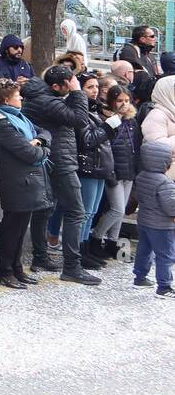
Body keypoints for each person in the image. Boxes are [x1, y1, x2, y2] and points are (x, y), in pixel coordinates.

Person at [21, 65, 103, 285]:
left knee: (45, 209)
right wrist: (77, 92)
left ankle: (40, 257)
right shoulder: (48, 101)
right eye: (71, 82)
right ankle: (72, 267)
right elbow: (79, 119)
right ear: (57, 86)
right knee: (76, 211)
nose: (74, 85)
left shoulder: (41, 96)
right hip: (60, 160)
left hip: (51, 158)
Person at [0, 78, 51, 289]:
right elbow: (28, 153)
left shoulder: (18, 117)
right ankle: (4, 270)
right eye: (16, 95)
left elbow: (45, 132)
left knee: (21, 226)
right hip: (13, 179)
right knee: (12, 227)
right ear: (6, 99)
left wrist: (39, 142)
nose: (20, 98)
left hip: (26, 178)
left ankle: (16, 267)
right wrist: (44, 150)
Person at [71, 71, 113, 268]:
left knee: (92, 211)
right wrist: (108, 127)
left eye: (96, 86)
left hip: (99, 166)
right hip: (87, 166)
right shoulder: (80, 110)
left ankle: (85, 249)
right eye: (90, 87)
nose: (95, 90)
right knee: (85, 212)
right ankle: (78, 252)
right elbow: (86, 140)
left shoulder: (95, 108)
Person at [92, 84, 137, 263]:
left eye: (127, 100)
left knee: (122, 210)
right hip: (113, 170)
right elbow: (105, 147)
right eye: (119, 101)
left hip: (129, 170)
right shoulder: (108, 120)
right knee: (117, 209)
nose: (124, 104)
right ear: (112, 101)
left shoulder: (132, 120)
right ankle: (96, 237)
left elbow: (136, 146)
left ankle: (112, 241)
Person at [131, 141, 175, 298]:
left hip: (144, 221)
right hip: (161, 225)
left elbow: (137, 197)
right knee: (166, 255)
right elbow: (170, 206)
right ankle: (164, 287)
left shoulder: (141, 176)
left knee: (144, 250)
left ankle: (139, 278)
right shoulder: (165, 182)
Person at [116, 26, 161, 99]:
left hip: (149, 94)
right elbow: (138, 76)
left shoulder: (148, 54)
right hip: (135, 96)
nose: (155, 38)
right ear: (142, 39)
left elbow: (155, 74)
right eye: (152, 36)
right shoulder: (128, 51)